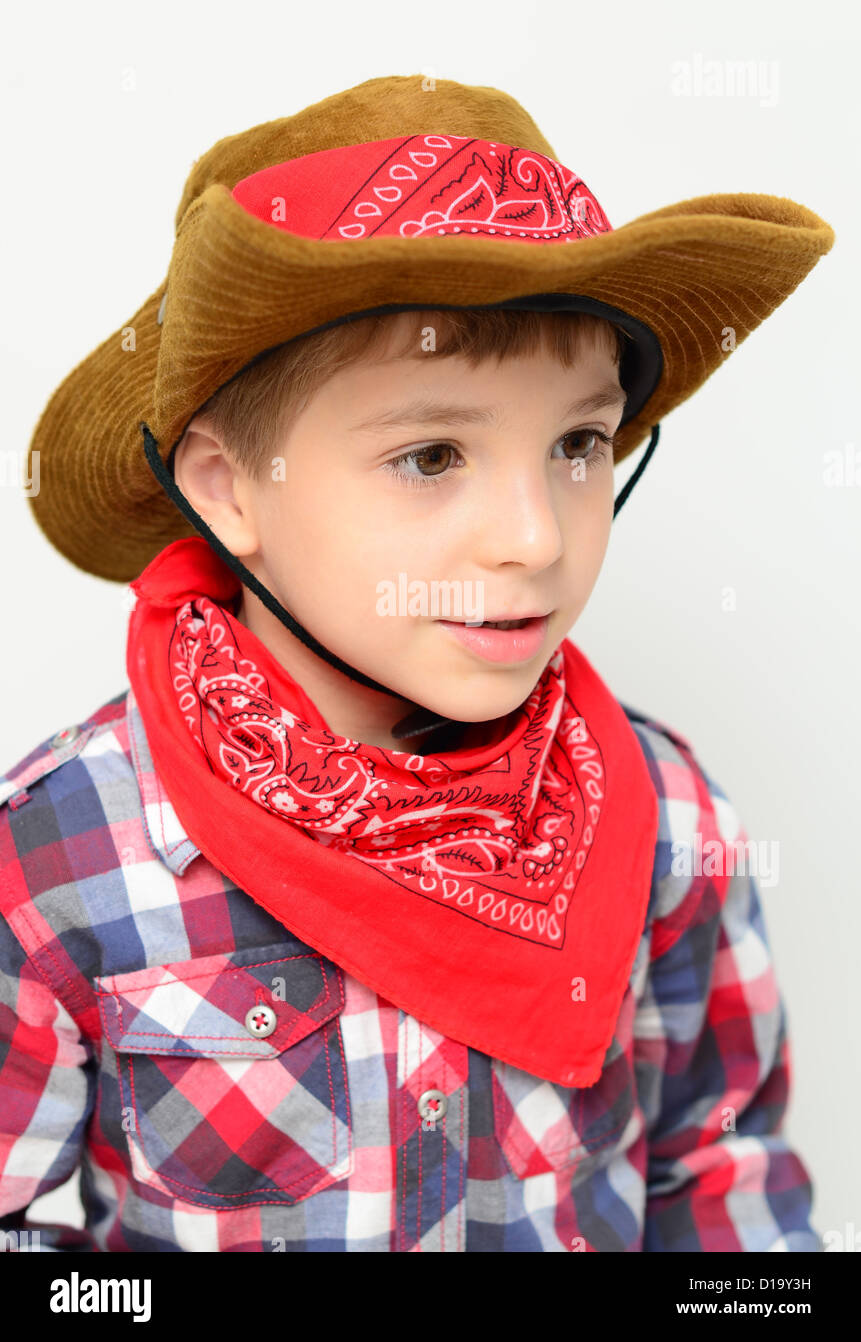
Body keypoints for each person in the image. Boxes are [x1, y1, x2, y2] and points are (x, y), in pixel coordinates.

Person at [0, 73, 834, 1251]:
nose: (537, 537)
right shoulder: (60, 854)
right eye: (433, 453)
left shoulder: (664, 817)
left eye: (579, 443)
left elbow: (722, 1169)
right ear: (231, 489)